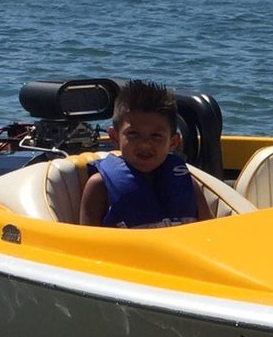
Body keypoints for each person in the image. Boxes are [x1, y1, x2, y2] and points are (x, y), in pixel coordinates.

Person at [79, 79, 210, 228]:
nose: (145, 145)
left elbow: (210, 234)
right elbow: (86, 245)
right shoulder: (99, 186)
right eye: (133, 134)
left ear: (173, 143)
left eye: (156, 136)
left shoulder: (188, 184)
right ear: (114, 137)